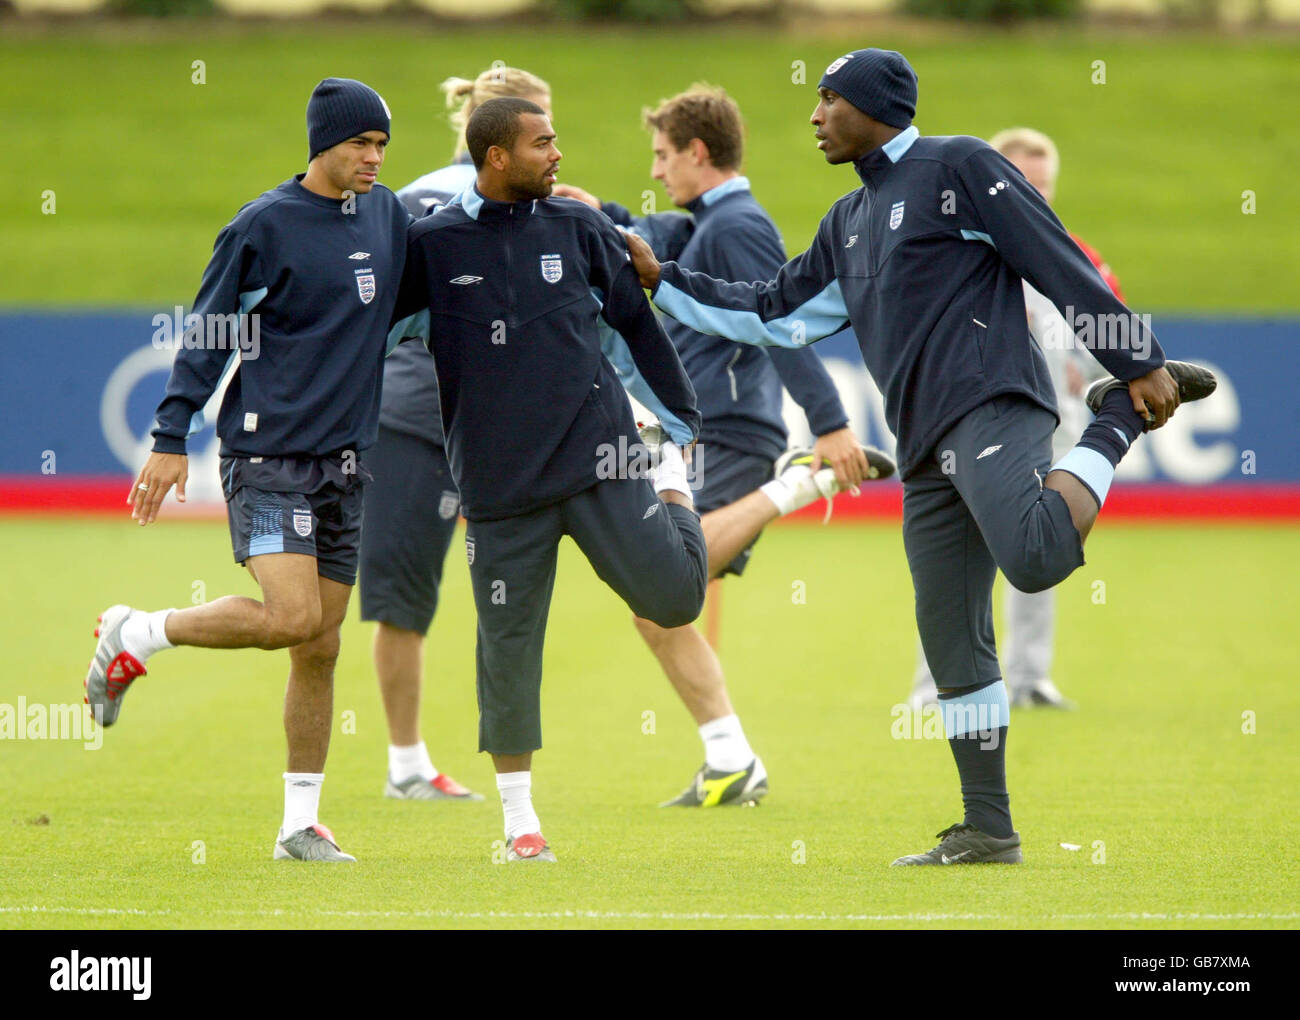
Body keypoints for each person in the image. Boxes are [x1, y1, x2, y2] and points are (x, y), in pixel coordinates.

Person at [622, 49, 1215, 866]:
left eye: (827, 99)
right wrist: (662, 279)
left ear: (872, 107)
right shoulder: (847, 219)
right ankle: (987, 829)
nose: (814, 114)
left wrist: (1135, 363)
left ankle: (1111, 423)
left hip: (991, 404)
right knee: (951, 640)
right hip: (923, 441)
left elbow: (1055, 258)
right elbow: (773, 315)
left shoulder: (960, 164)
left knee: (1037, 555)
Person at [388, 97, 849, 862]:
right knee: (507, 652)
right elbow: (373, 329)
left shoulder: (579, 231)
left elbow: (633, 329)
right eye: (543, 144)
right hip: (499, 491)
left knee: (674, 595)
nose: (557, 154)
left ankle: (685, 484)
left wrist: (677, 432)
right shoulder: (430, 246)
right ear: (496, 157)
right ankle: (519, 825)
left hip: (602, 463)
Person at [85, 78, 409, 863]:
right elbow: (209, 330)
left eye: (381, 146)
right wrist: (170, 433)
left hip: (347, 463)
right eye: (361, 143)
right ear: (321, 143)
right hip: (268, 457)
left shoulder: (387, 214)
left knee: (319, 646)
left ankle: (299, 825)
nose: (373, 158)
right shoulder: (264, 225)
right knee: (293, 617)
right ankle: (137, 632)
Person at [556, 84, 892, 807]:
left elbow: (783, 324)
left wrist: (830, 424)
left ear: (697, 153)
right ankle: (729, 761)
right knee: (662, 605)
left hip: (729, 430)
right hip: (699, 431)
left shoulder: (736, 226)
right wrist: (598, 216)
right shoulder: (711, 220)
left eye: (663, 156)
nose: (655, 172)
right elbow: (655, 235)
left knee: (659, 587)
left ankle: (800, 485)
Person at [360, 66, 552, 803]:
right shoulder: (492, 204)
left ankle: (409, 760)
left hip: (418, 416)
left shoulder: (406, 198)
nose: (552, 143)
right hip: (449, 417)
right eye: (543, 124)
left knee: (404, 596)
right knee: (498, 594)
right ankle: (411, 767)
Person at [908, 126, 1130, 712]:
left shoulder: (1075, 252)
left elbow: (1106, 328)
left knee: (1045, 544)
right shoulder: (967, 248)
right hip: (976, 421)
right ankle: (935, 687)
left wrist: (1092, 371)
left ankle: (1029, 677)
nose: (1038, 195)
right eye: (1025, 182)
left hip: (1054, 426)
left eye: (1045, 185)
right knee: (955, 555)